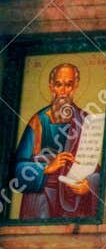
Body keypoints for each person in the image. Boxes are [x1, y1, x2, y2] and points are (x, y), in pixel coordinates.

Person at [12, 62, 98, 220]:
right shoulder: (38, 122)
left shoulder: (85, 120)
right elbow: (17, 170)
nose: (63, 91)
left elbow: (95, 167)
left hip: (74, 200)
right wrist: (46, 168)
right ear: (51, 86)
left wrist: (89, 185)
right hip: (41, 198)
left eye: (69, 85)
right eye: (59, 85)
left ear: (76, 86)